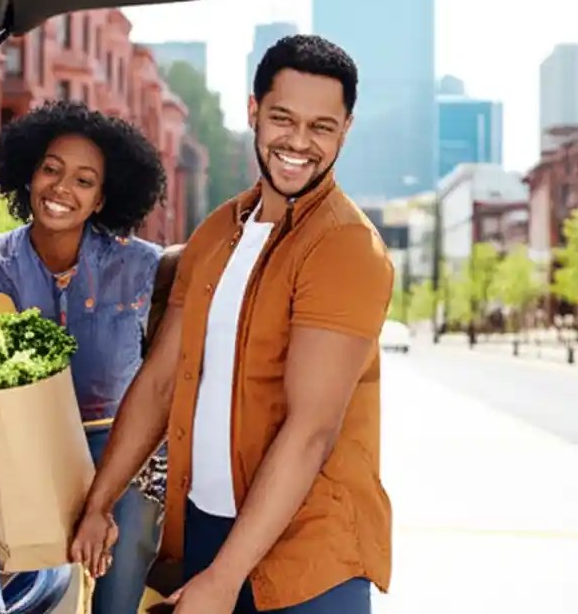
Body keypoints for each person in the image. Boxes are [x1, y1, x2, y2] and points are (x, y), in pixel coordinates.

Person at [70, 34, 395, 614]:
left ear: (345, 129)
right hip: (206, 533)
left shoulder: (345, 248)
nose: (298, 142)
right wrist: (101, 500)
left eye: (322, 127)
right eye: (282, 119)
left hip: (309, 559)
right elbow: (160, 381)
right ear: (253, 112)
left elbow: (312, 429)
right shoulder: (219, 232)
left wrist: (225, 579)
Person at [0, 100, 172, 614]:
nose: (61, 189)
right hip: (28, 448)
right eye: (51, 169)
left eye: (83, 180)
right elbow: (5, 377)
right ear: (29, 174)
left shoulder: (145, 266)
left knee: (116, 601)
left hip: (122, 452)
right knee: (33, 601)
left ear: (102, 199)